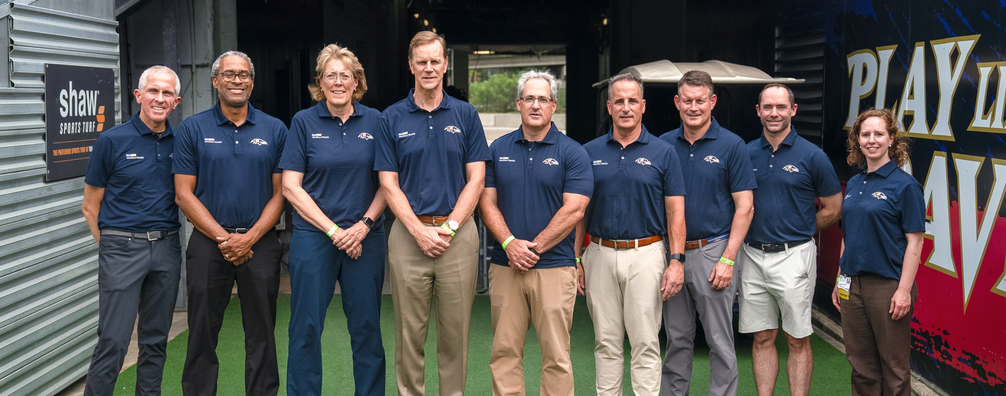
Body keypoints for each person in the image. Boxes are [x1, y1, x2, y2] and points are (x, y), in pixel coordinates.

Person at [374, 31, 491, 396]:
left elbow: (477, 178)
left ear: (445, 65)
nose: (428, 68)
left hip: (457, 236)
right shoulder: (390, 117)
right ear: (411, 65)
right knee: (409, 335)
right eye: (421, 61)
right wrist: (418, 230)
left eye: (435, 61)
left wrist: (452, 226)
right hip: (408, 237)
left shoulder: (465, 114)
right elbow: (388, 183)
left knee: (455, 336)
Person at [174, 51, 287, 396]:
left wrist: (249, 237)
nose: (236, 80)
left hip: (261, 243)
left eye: (243, 75)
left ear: (252, 82)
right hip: (209, 244)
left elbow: (281, 194)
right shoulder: (192, 128)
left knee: (262, 333)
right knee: (202, 333)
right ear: (215, 81)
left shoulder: (275, 129)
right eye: (228, 75)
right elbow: (183, 194)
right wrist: (225, 238)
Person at [281, 44, 387, 396]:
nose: (338, 82)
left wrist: (362, 227)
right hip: (315, 238)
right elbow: (290, 186)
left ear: (357, 81)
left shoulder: (377, 121)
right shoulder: (303, 122)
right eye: (331, 76)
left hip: (365, 238)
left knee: (367, 327)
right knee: (306, 327)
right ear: (320, 83)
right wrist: (335, 231)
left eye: (346, 75)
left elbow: (389, 183)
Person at [479, 70, 593, 396]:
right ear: (518, 103)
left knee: (556, 357)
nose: (535, 105)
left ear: (554, 106)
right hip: (504, 266)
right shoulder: (497, 149)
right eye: (529, 98)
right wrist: (510, 244)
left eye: (543, 99)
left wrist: (533, 248)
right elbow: (487, 204)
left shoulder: (572, 152)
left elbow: (574, 209)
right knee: (504, 353)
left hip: (555, 268)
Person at [576, 72, 685, 396]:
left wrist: (676, 260)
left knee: (646, 342)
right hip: (598, 253)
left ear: (643, 106)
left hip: (647, 254)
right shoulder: (588, 152)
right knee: (606, 343)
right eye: (619, 101)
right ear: (609, 107)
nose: (626, 107)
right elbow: (578, 211)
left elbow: (675, 211)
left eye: (632, 101)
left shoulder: (664, 153)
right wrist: (576, 258)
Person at [80, 65, 182, 396]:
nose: (159, 98)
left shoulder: (181, 144)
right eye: (153, 91)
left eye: (167, 93)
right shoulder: (112, 140)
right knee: (113, 340)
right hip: (121, 249)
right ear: (138, 95)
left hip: (167, 249)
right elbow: (90, 205)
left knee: (155, 341)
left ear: (176, 102)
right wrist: (111, 245)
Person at [740, 84, 842, 396]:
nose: (774, 113)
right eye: (767, 107)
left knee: (797, 339)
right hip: (752, 254)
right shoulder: (745, 153)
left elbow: (834, 208)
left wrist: (800, 226)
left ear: (793, 110)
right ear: (758, 111)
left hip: (794, 255)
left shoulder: (813, 156)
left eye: (781, 107)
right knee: (762, 337)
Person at [658, 70, 756, 396]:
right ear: (677, 102)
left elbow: (746, 207)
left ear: (712, 101)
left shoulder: (732, 146)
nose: (694, 107)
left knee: (719, 339)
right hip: (671, 255)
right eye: (687, 100)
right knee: (677, 338)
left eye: (701, 100)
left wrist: (728, 260)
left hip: (712, 252)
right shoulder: (662, 146)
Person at [831, 108, 924, 396]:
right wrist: (839, 279)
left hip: (887, 286)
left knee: (894, 369)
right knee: (861, 366)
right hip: (852, 286)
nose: (872, 140)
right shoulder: (856, 182)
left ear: (891, 139)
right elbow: (849, 234)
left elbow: (915, 242)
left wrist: (904, 290)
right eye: (865, 134)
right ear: (857, 140)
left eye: (879, 134)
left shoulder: (905, 185)